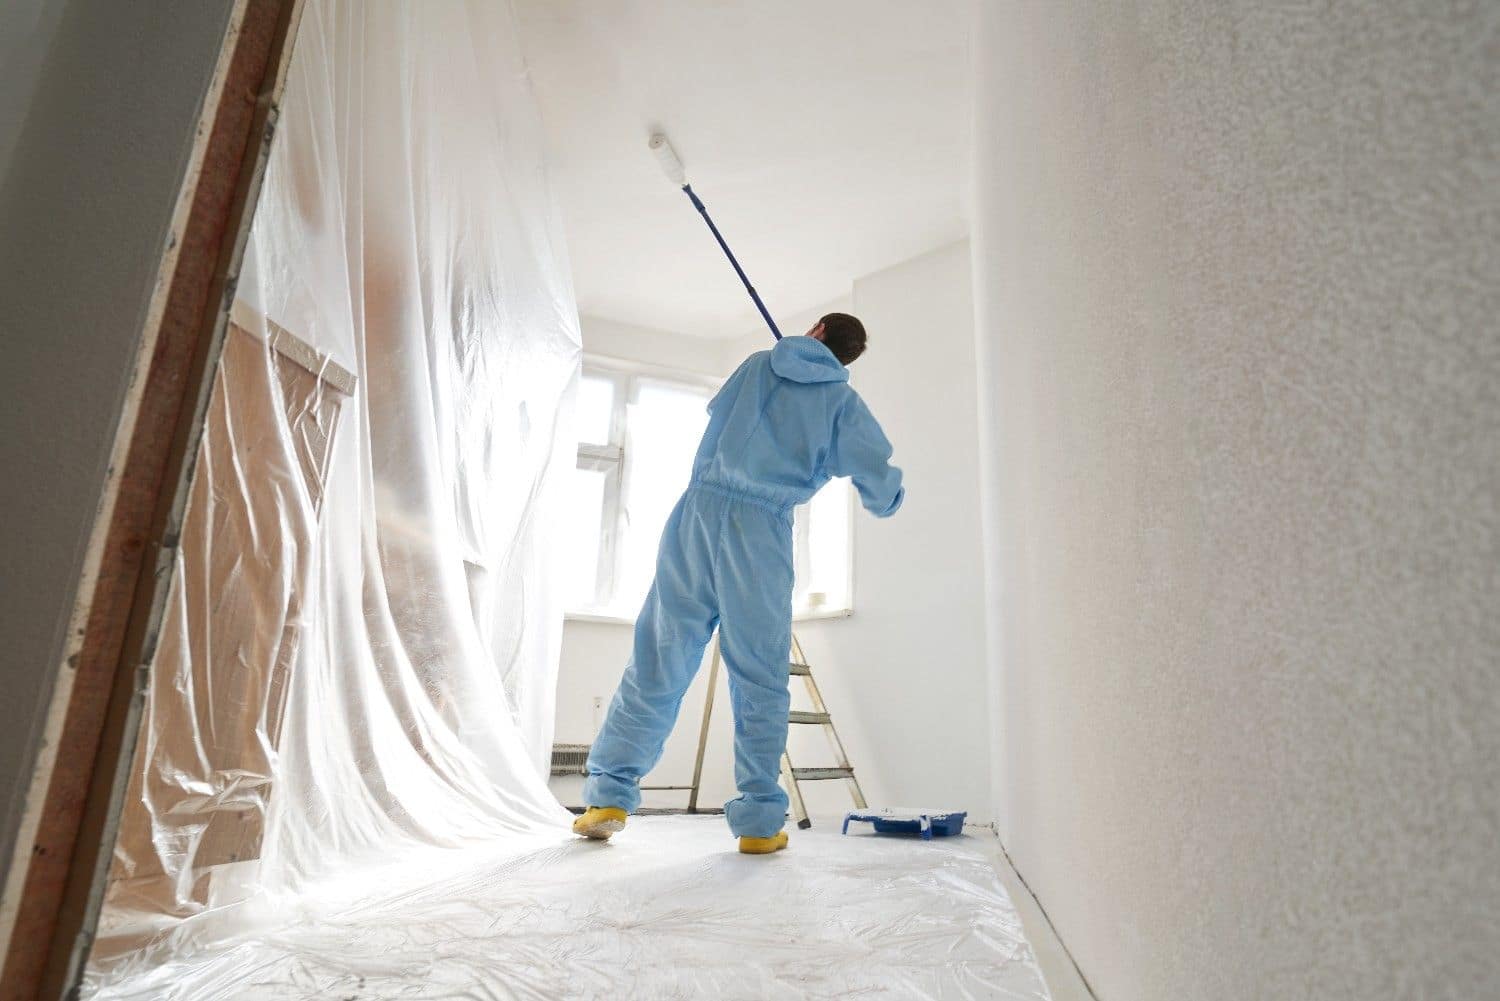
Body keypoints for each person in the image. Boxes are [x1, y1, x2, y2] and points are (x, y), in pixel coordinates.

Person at [571, 313, 904, 854]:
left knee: (660, 655)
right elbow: (879, 482)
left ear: (816, 329)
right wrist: (885, 496)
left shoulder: (754, 367)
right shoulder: (844, 406)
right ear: (846, 358)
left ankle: (608, 796)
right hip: (762, 532)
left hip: (696, 517)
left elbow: (717, 413)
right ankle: (756, 820)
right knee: (759, 673)